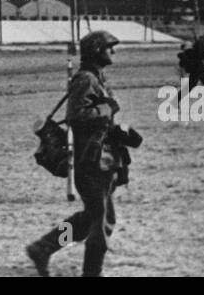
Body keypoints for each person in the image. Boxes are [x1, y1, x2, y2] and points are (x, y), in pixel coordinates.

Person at [26, 30, 141, 277]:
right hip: (91, 162)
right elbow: (76, 116)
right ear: (97, 50)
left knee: (90, 219)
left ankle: (43, 248)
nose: (114, 51)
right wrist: (107, 108)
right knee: (102, 221)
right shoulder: (86, 79)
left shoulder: (96, 78)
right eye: (110, 47)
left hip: (99, 159)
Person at [178, 30, 204, 104]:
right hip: (197, 69)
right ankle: (176, 100)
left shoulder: (202, 42)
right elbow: (201, 55)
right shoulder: (200, 43)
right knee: (190, 87)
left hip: (201, 69)